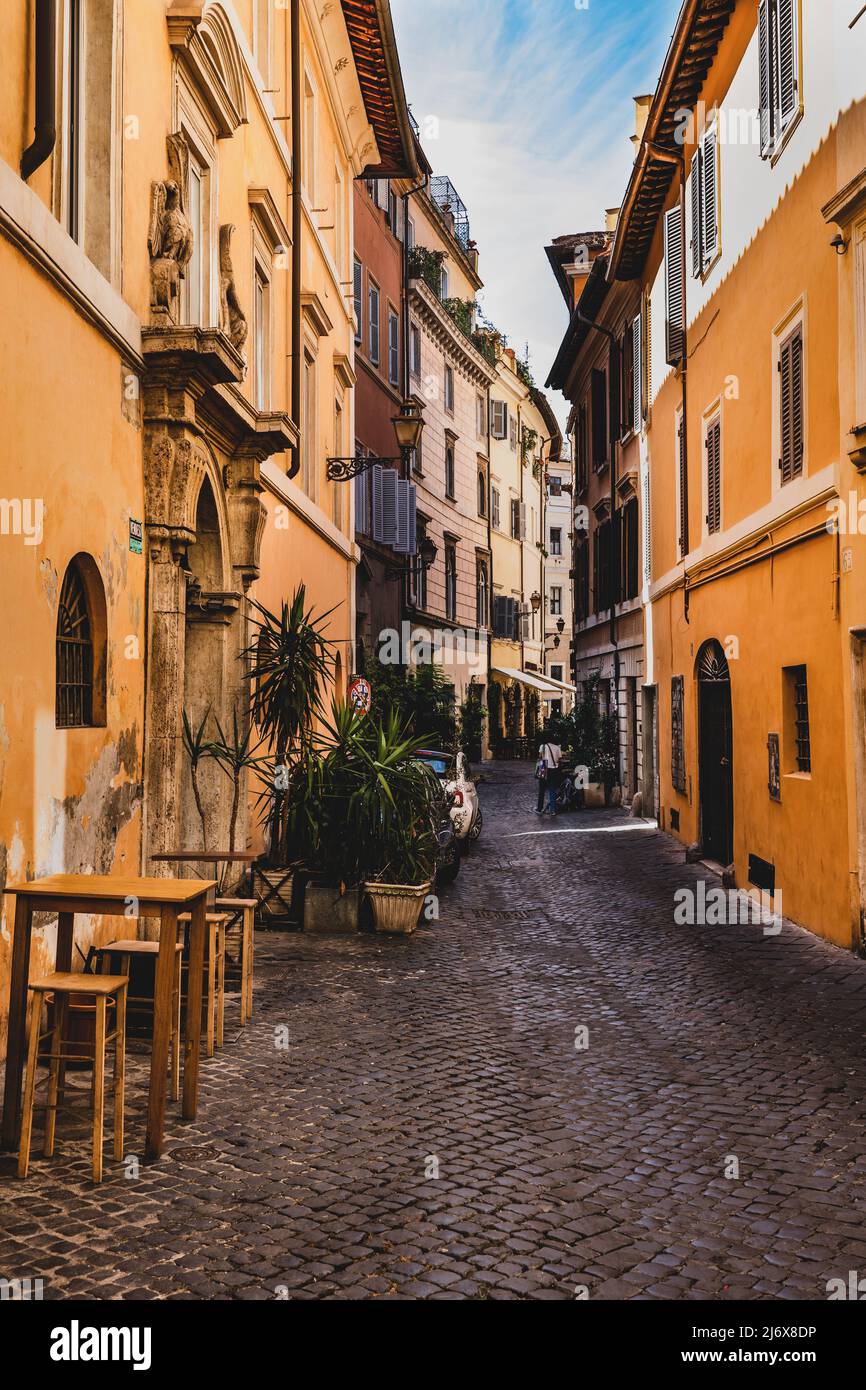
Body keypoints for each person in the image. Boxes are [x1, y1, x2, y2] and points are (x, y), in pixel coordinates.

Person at [537, 732, 563, 815]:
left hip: (544, 770)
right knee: (552, 790)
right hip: (554, 770)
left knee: (542, 790)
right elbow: (559, 760)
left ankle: (539, 808)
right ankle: (553, 810)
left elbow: (540, 757)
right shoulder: (557, 747)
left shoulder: (543, 746)